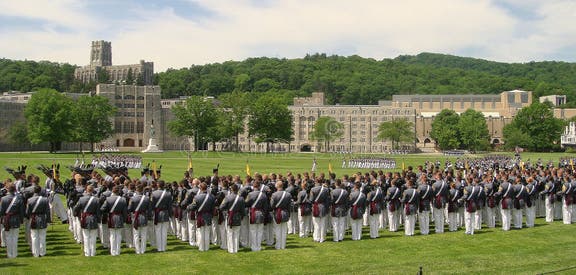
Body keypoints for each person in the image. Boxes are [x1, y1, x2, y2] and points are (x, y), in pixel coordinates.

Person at [73, 185, 100, 257]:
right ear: (93, 190)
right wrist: (98, 219)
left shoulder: (82, 199)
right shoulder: (96, 199)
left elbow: (76, 208)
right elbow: (98, 212)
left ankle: (87, 252)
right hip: (93, 218)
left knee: (86, 236)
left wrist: (76, 215)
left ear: (86, 190)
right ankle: (93, 252)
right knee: (93, 236)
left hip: (85, 219)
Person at [100, 185, 128, 256]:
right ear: (119, 191)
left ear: (112, 191)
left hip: (111, 218)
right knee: (118, 235)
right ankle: (118, 251)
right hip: (119, 218)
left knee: (112, 235)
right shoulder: (123, 200)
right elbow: (125, 212)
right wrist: (124, 220)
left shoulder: (108, 199)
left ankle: (113, 251)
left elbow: (102, 209)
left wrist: (107, 212)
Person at [0, 182, 25, 258]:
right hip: (16, 219)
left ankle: (9, 254)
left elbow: (1, 211)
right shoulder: (19, 198)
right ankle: (14, 254)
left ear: (7, 189)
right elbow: (22, 211)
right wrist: (21, 220)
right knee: (15, 237)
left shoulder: (3, 199)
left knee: (8, 237)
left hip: (7, 219)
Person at [189, 182, 215, 252]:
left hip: (200, 216)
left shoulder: (197, 197)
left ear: (200, 188)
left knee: (200, 232)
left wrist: (188, 207)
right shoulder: (212, 197)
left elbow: (193, 207)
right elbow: (213, 208)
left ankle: (201, 247)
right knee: (207, 232)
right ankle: (206, 247)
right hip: (208, 215)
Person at [219, 183, 245, 253]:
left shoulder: (227, 197)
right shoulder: (241, 198)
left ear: (231, 189)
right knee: (236, 233)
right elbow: (243, 210)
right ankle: (236, 248)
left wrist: (226, 211)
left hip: (229, 216)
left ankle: (231, 249)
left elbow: (221, 207)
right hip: (238, 216)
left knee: (230, 233)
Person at [26, 185, 51, 257]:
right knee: (42, 237)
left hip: (33, 218)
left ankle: (35, 253)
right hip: (42, 218)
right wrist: (48, 220)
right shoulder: (45, 199)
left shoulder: (30, 200)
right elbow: (48, 211)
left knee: (34, 237)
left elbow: (27, 212)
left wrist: (28, 217)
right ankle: (42, 252)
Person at [245, 180, 268, 251]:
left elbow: (246, 204)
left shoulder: (250, 194)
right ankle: (258, 246)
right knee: (260, 231)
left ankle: (254, 246)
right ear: (259, 186)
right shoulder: (263, 195)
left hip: (253, 214)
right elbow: (265, 207)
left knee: (253, 231)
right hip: (261, 213)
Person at [128, 184, 151, 254]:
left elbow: (129, 209)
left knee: (136, 234)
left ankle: (137, 250)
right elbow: (149, 209)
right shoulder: (147, 198)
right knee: (144, 235)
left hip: (135, 217)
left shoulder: (133, 198)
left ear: (137, 190)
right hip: (144, 216)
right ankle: (143, 250)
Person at [151, 180, 173, 252]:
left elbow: (152, 206)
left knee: (158, 231)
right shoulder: (168, 194)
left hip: (157, 214)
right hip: (165, 213)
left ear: (158, 185)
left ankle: (159, 247)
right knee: (164, 232)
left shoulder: (154, 193)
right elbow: (170, 206)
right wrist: (170, 215)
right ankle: (163, 247)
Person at [270, 180, 292, 249]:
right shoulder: (288, 194)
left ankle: (278, 245)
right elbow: (289, 206)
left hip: (277, 213)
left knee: (277, 230)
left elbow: (272, 205)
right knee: (284, 230)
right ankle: (283, 245)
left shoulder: (274, 195)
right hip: (285, 212)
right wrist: (289, 214)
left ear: (277, 186)